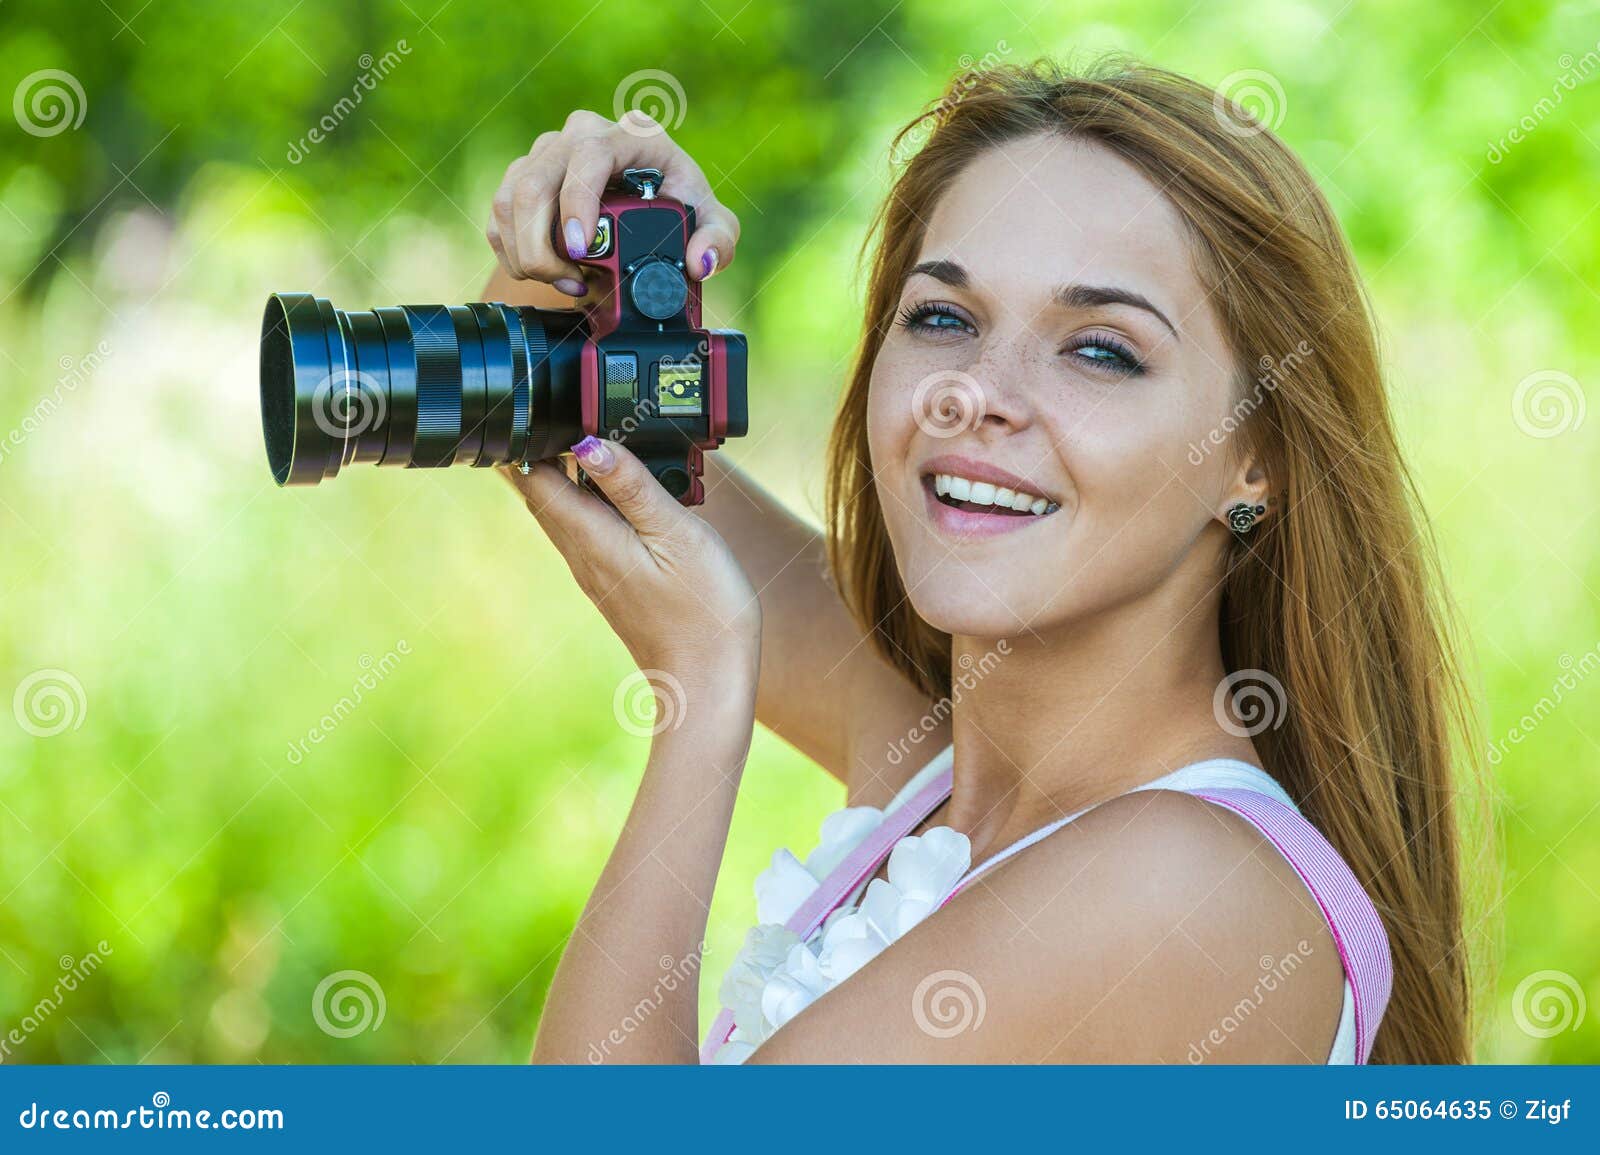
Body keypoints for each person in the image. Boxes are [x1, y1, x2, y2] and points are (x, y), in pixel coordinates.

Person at [481, 58, 1479, 1064]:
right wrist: (605, 218)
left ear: (1254, 456)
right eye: (942, 319)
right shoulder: (931, 766)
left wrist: (699, 692)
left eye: (1099, 349)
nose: (970, 394)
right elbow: (562, 398)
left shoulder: (1176, 890)